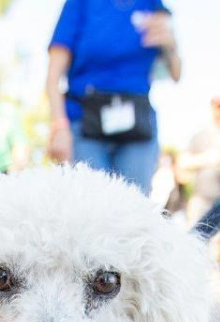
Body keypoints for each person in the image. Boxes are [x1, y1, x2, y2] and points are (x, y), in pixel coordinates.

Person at [46, 0, 182, 194]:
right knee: (90, 204)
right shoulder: (80, 4)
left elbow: (176, 74)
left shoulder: (152, 5)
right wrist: (59, 127)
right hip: (85, 123)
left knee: (136, 207)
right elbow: (53, 78)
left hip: (138, 127)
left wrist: (170, 45)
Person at [179, 96, 220, 265]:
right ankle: (196, 271)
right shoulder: (199, 136)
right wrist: (205, 159)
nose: (218, 110)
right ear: (210, 108)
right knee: (196, 239)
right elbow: (183, 162)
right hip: (201, 194)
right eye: (215, 106)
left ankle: (217, 264)